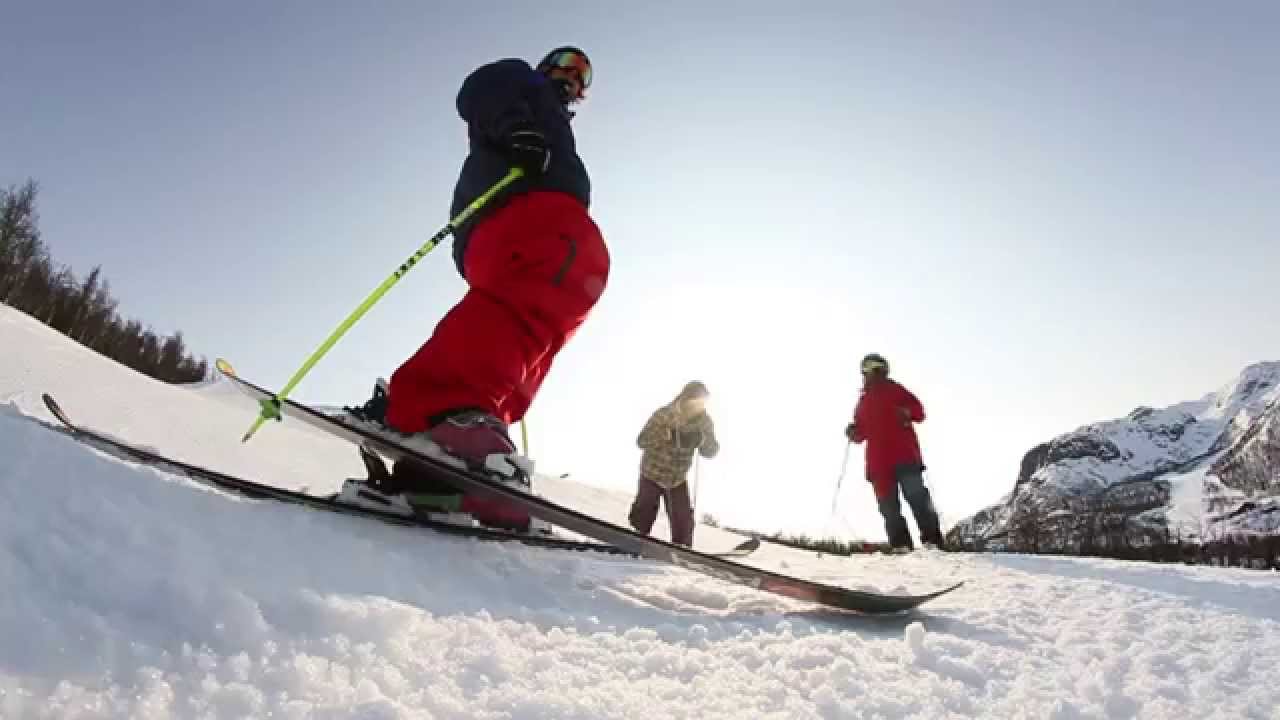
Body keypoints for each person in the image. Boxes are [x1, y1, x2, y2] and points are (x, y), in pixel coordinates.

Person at [347, 46, 608, 531]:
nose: (573, 75)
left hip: (553, 222)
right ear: (546, 65)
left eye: (584, 74)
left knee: (569, 290)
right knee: (555, 268)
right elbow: (480, 88)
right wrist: (517, 128)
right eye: (567, 62)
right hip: (512, 206)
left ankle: (458, 452)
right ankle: (440, 411)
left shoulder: (557, 125)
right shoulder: (519, 83)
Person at [845, 353, 943, 551]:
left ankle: (932, 542)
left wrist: (907, 412)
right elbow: (861, 434)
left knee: (917, 499)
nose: (872, 372)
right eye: (868, 368)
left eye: (875, 367)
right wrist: (853, 433)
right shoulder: (863, 402)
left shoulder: (896, 390)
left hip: (904, 457)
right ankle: (901, 546)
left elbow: (919, 412)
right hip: (879, 464)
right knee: (889, 508)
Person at [630, 381, 720, 546]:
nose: (697, 406)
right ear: (685, 397)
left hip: (677, 478)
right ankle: (636, 540)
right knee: (644, 512)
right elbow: (641, 441)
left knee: (683, 521)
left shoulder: (704, 422)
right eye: (694, 400)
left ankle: (682, 550)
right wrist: (668, 435)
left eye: (701, 402)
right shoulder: (664, 415)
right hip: (653, 472)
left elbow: (711, 451)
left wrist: (703, 441)